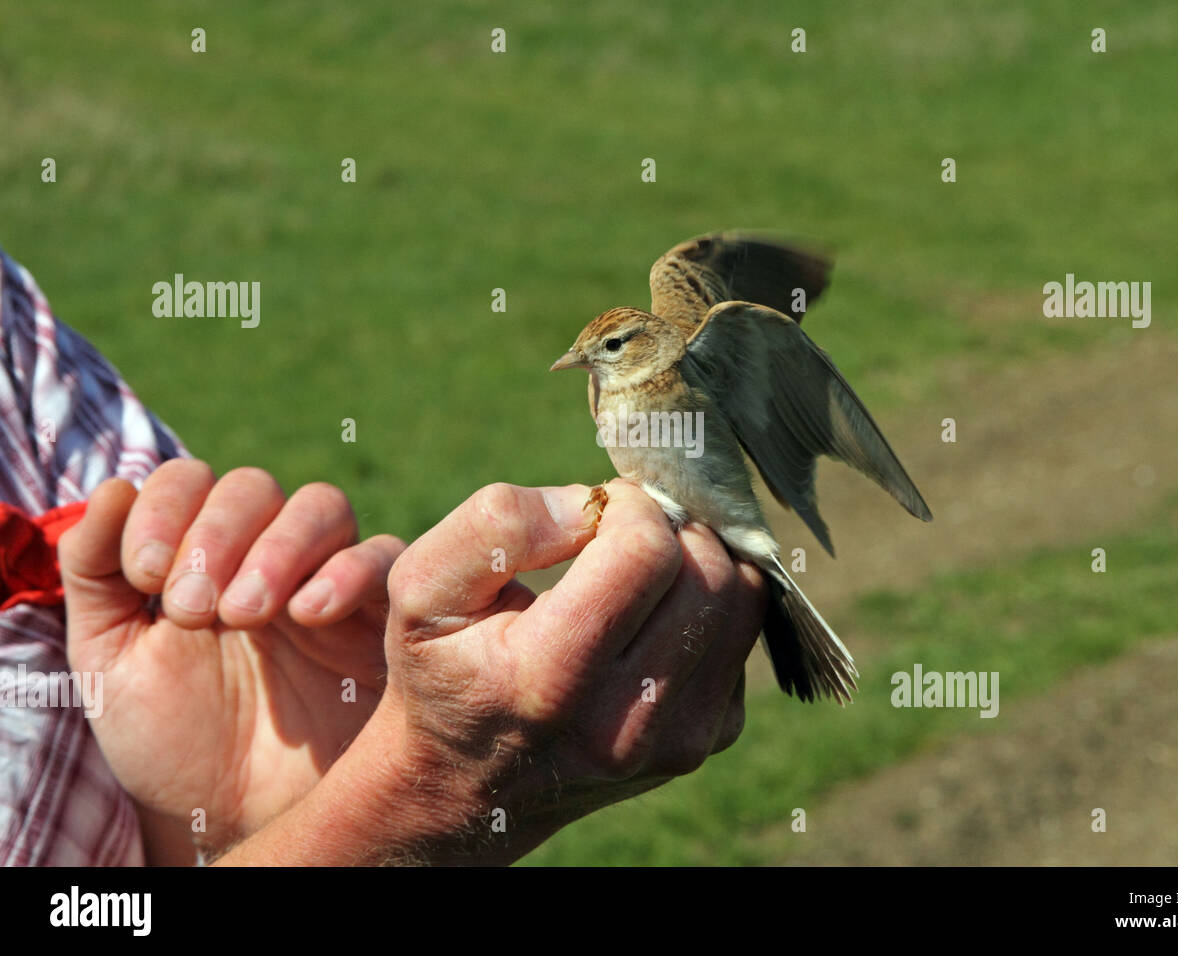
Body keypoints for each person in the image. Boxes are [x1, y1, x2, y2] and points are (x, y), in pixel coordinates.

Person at [0, 246, 765, 865]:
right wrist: (393, 809)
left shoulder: (13, 325)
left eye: (605, 350)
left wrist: (245, 824)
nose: (580, 366)